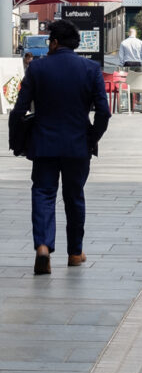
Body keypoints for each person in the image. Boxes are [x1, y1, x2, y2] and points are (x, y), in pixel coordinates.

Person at [8, 19, 111, 276]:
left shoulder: (38, 68)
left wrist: (17, 140)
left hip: (44, 143)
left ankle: (43, 247)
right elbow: (104, 111)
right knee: (74, 196)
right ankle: (75, 253)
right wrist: (92, 137)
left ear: (54, 42)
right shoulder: (90, 68)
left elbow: (20, 109)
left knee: (43, 194)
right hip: (78, 145)